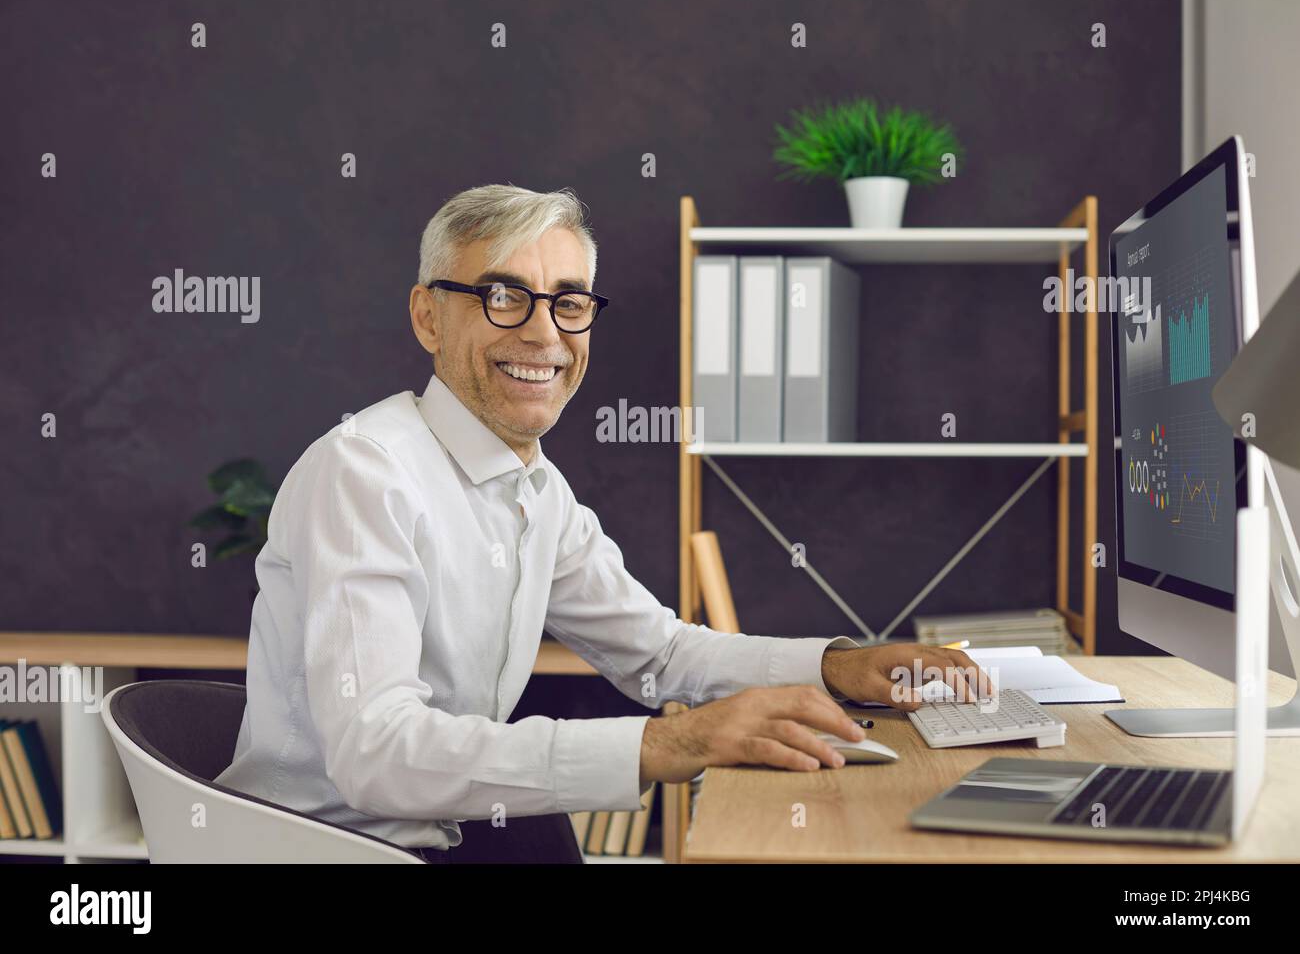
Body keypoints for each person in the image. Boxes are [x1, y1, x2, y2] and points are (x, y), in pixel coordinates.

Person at [215, 184, 989, 862]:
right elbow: (375, 755)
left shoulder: (536, 487)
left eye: (570, 302)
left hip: (445, 832)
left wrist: (839, 666)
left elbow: (661, 652)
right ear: (428, 317)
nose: (545, 334)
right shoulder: (365, 471)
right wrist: (672, 742)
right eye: (503, 295)